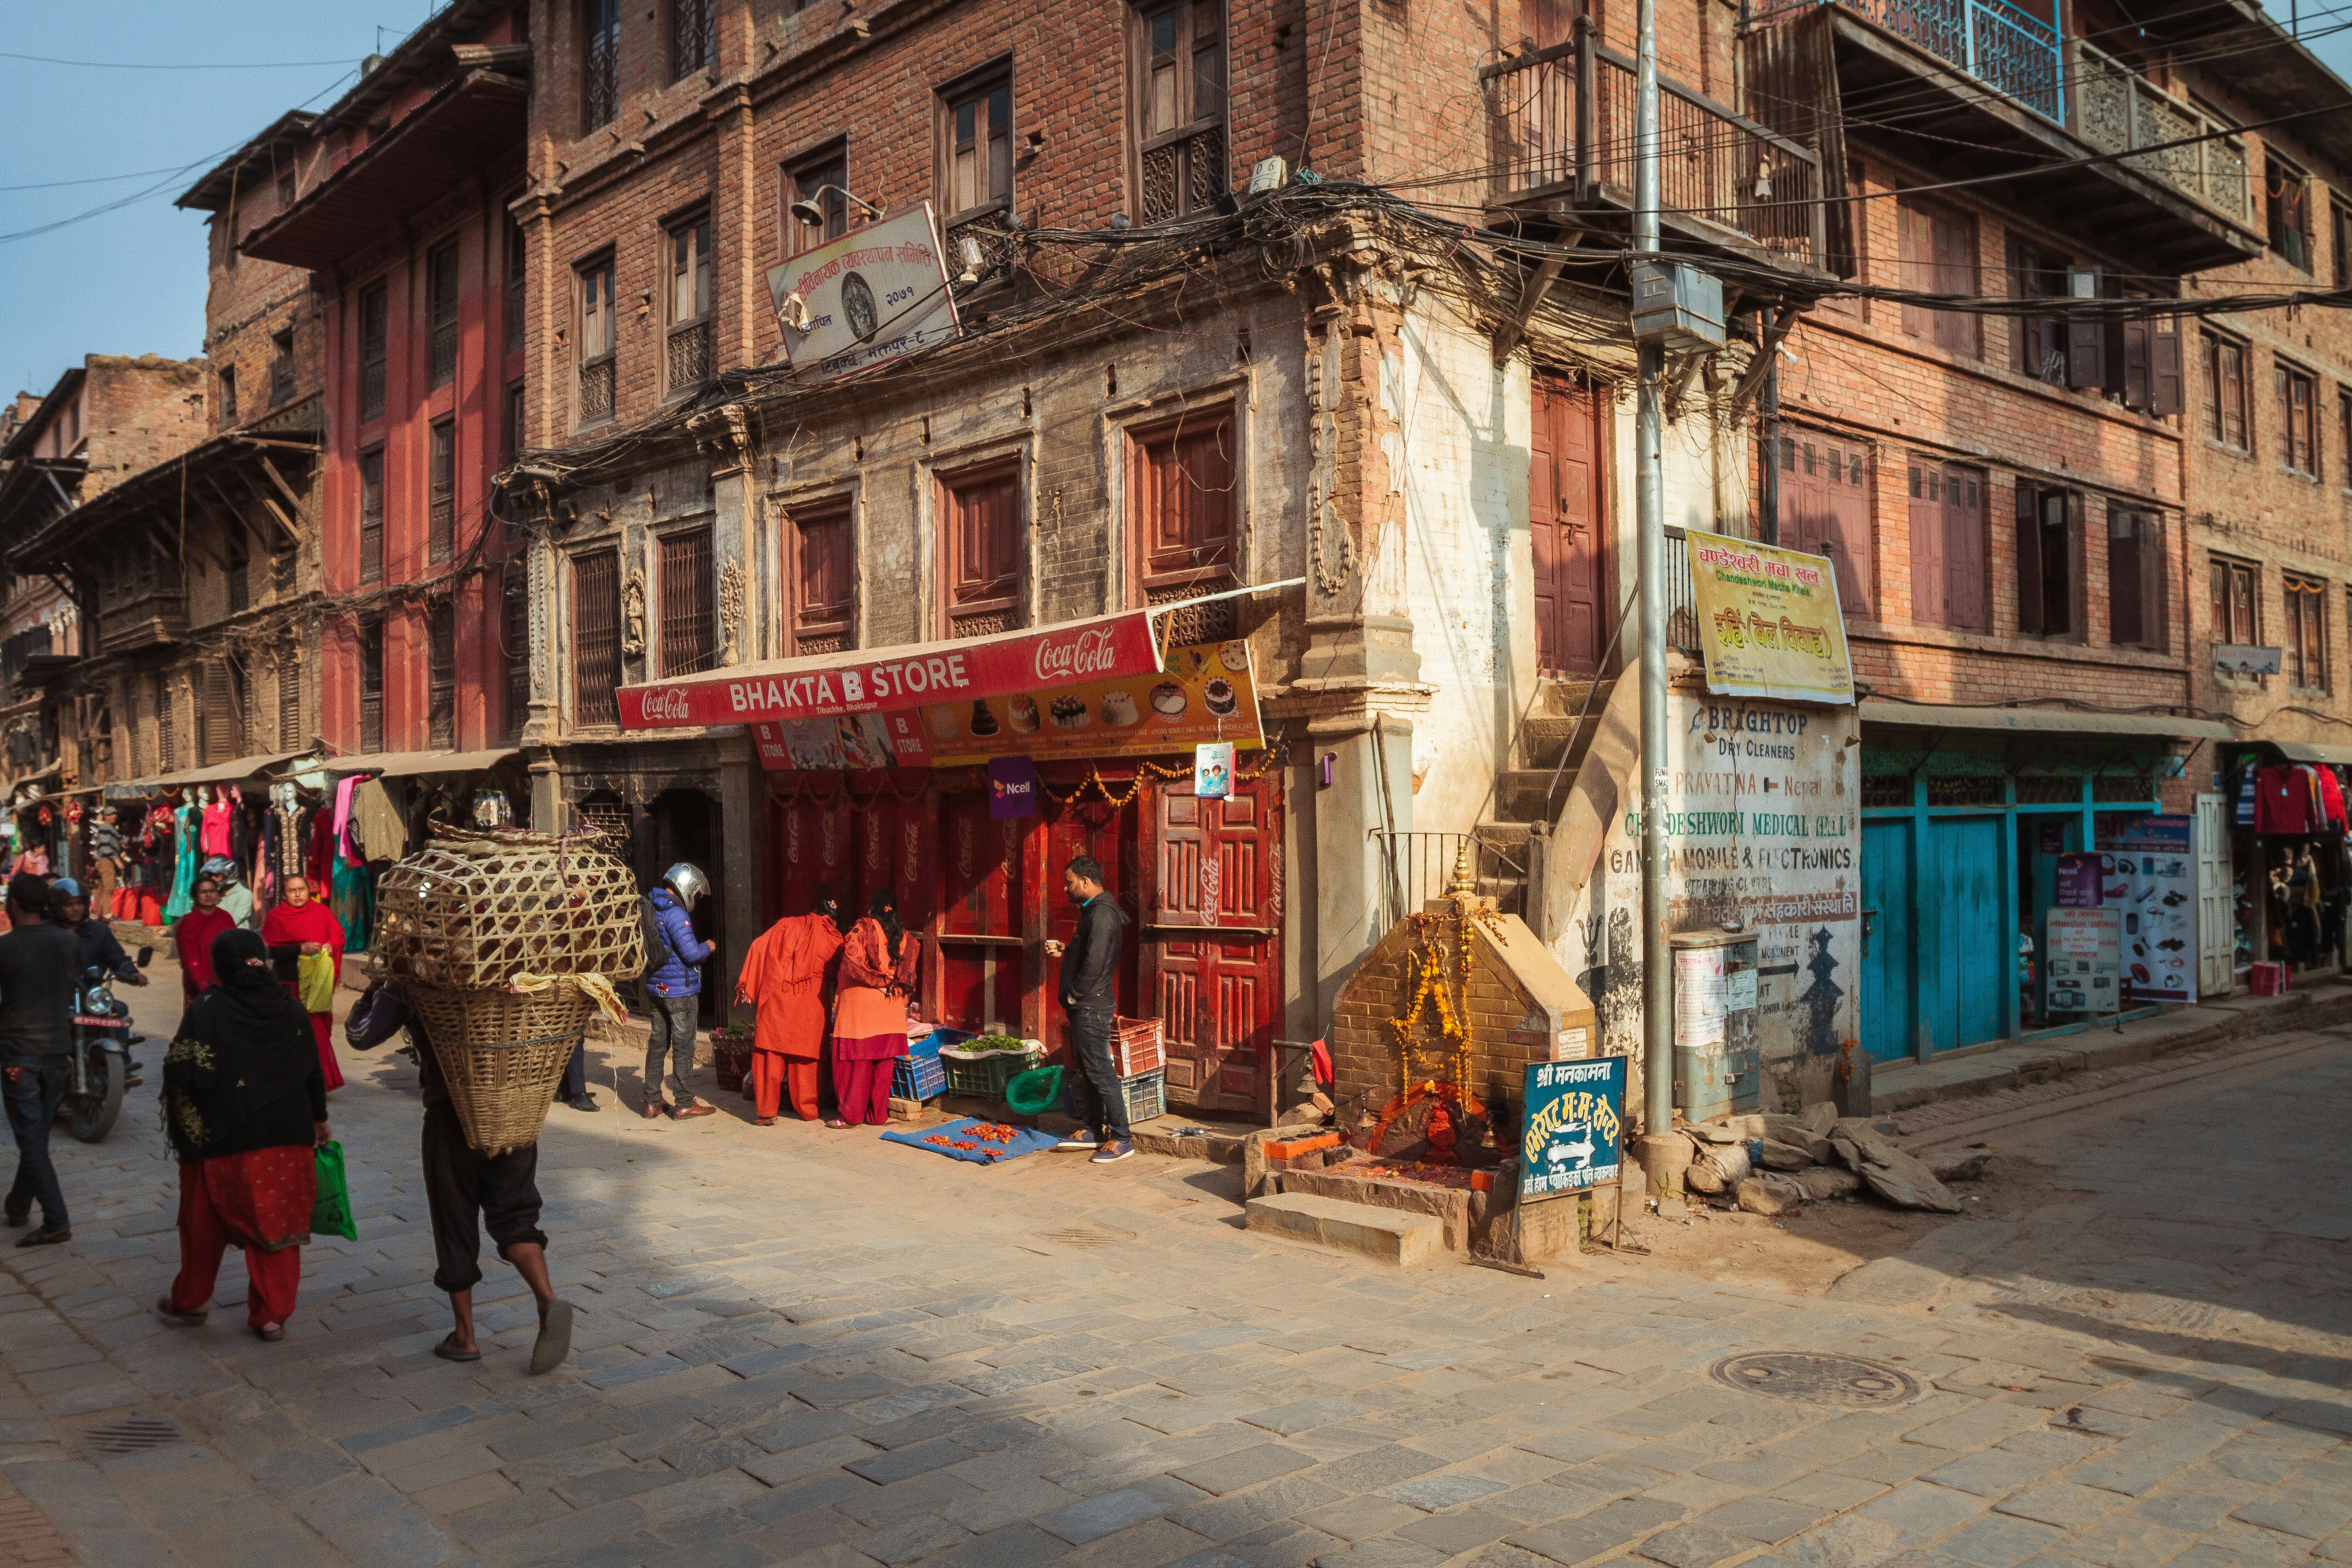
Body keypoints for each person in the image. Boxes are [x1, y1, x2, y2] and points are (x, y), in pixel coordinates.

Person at [344, 975, 573, 1372]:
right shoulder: (529, 970)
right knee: (516, 1215)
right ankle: (547, 1299)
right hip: (516, 1109)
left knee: (454, 1221)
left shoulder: (416, 976)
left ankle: (465, 1336)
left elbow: (360, 1037)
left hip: (452, 1117)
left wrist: (376, 986)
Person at [154, 929, 327, 1340]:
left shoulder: (208, 1008)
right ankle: (272, 1314)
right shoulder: (291, 1008)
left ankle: (191, 1300)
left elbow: (181, 1070)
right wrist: (318, 1119)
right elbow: (312, 1069)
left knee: (202, 1222)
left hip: (222, 1138)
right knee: (277, 1225)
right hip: (288, 1136)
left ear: (220, 966)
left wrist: (189, 1134)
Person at [0, 875, 85, 1245]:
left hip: (20, 1054)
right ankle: (17, 1207)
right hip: (57, 1051)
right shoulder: (68, 941)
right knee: (35, 1136)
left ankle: (56, 1219)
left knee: (32, 1141)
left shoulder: (6, 948)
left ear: (14, 905)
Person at [1044, 855, 1132, 1162]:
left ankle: (1122, 1137)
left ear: (1085, 881)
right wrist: (1068, 951)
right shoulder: (1093, 912)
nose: (1066, 888)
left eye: (1070, 882)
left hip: (1091, 1005)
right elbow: (1092, 954)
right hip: (1086, 1004)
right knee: (1088, 1069)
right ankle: (1094, 1128)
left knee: (1100, 1070)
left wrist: (1074, 995)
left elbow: (1096, 964)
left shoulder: (1103, 914)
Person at [735, 887, 846, 1125]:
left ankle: (766, 1112)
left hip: (778, 999)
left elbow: (758, 946)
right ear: (834, 921)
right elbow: (840, 974)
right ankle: (808, 1111)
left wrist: (753, 983)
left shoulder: (787, 925)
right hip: (812, 1005)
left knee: (769, 1054)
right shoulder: (836, 939)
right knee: (807, 1060)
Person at [829, 890, 920, 1128]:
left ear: (872, 909)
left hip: (861, 1009)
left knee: (857, 1066)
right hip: (891, 1009)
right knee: (883, 1066)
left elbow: (851, 964)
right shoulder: (906, 937)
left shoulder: (862, 929)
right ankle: (877, 1116)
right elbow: (908, 978)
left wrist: (880, 983)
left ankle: (851, 1117)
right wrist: (891, 987)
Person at [641, 863, 716, 1121]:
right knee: (684, 1046)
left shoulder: (649, 908)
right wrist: (708, 947)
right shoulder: (676, 914)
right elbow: (691, 953)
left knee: (658, 1043)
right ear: (685, 888)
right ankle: (684, 1103)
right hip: (680, 991)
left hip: (656, 988)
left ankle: (652, 1102)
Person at [262, 875, 346, 1092]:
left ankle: (318, 1081)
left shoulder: (321, 912)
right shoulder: (276, 917)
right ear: (284, 894)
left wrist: (329, 945)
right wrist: (300, 949)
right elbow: (269, 950)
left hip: (317, 981)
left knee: (317, 1030)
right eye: (292, 891)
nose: (298, 895)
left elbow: (338, 935)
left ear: (309, 891)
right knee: (291, 1032)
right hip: (288, 982)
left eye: (302, 889)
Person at [53, 880, 151, 992]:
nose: (76, 908)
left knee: (120, 1009)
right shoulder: (46, 931)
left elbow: (117, 958)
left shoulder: (99, 931)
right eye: (69, 904)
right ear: (57, 907)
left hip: (90, 993)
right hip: (52, 997)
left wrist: (132, 973)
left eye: (79, 903)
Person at [172, 876, 237, 1002]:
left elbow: (234, 947)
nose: (209, 895)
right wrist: (201, 982)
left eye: (212, 891)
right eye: (203, 892)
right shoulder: (188, 923)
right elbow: (188, 956)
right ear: (194, 897)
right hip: (199, 981)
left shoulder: (225, 917)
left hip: (225, 979)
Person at [88, 807, 123, 920]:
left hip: (104, 861)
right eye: (111, 815)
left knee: (102, 887)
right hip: (106, 861)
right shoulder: (106, 827)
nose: (114, 816)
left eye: (115, 814)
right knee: (109, 887)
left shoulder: (108, 828)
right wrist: (116, 859)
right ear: (105, 816)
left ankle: (97, 911)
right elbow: (105, 847)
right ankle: (107, 914)